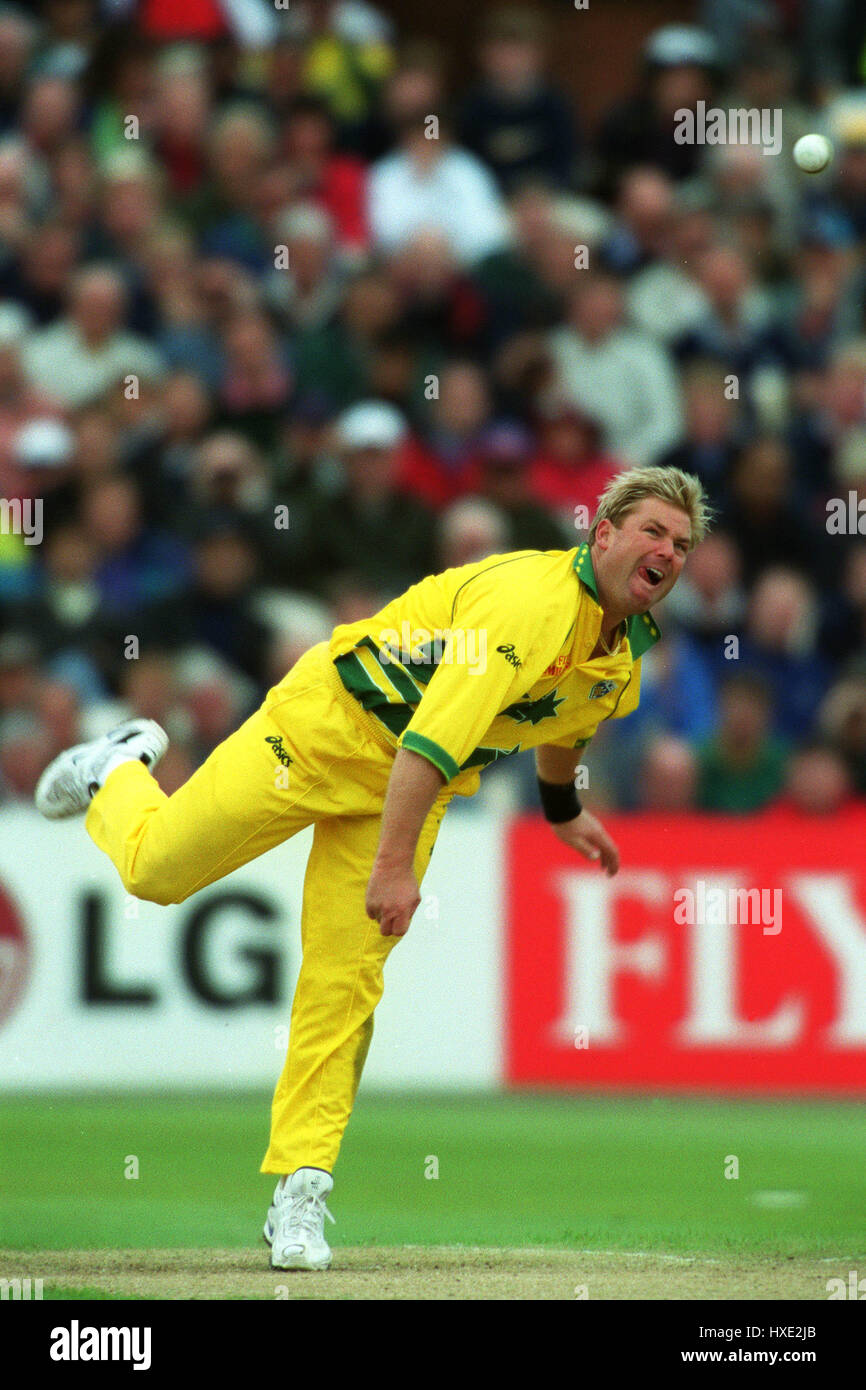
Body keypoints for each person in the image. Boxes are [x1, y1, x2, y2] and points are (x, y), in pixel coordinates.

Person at [33, 464, 709, 1271]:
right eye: (652, 532)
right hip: (324, 730)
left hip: (402, 789)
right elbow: (431, 740)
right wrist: (394, 869)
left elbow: (567, 721)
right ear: (602, 535)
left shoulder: (624, 652)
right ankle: (117, 771)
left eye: (682, 543)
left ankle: (300, 1191)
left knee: (343, 984)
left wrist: (563, 811)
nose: (668, 551)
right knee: (156, 872)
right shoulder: (530, 606)